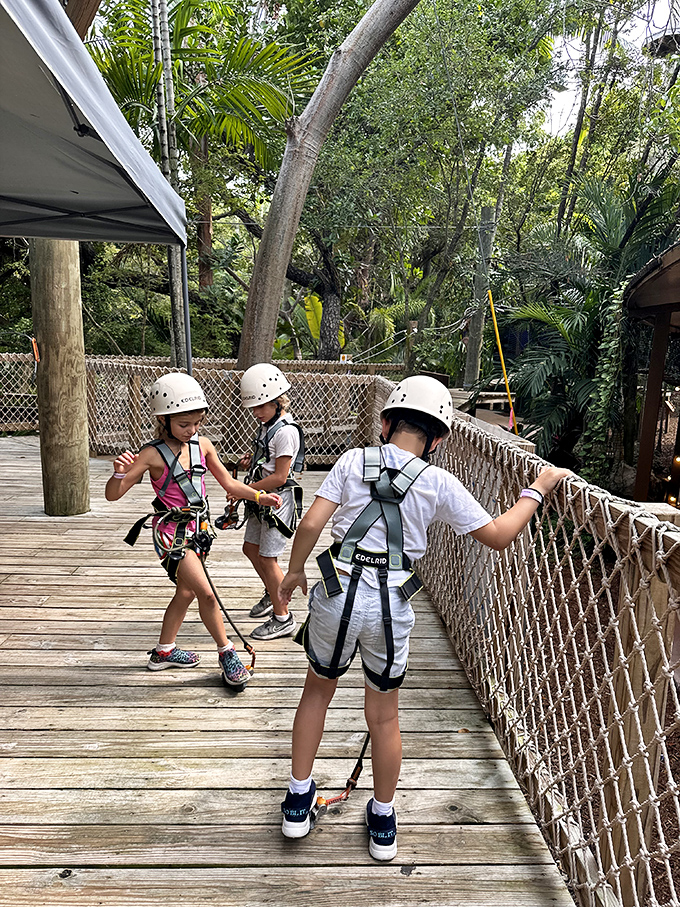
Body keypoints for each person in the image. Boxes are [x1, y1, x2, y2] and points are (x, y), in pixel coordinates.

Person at [277, 375, 571, 861]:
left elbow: (311, 523)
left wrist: (292, 573)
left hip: (336, 592)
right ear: (437, 440)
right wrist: (537, 489)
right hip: (390, 605)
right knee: (384, 715)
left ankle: (296, 803)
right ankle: (382, 821)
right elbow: (498, 535)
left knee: (317, 693)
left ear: (386, 423)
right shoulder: (437, 482)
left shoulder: (352, 460)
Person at [105, 372, 282, 688]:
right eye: (184, 424)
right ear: (164, 420)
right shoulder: (152, 454)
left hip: (198, 531)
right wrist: (119, 474)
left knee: (186, 592)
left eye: (198, 423)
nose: (192, 430)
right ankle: (227, 653)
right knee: (207, 594)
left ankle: (164, 651)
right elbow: (113, 495)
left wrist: (259, 496)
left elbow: (228, 483)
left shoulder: (203, 446)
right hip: (171, 536)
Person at [232, 363, 304, 641]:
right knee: (250, 548)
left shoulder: (286, 432)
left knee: (268, 557)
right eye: (254, 407)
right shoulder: (268, 426)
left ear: (278, 401)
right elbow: (270, 461)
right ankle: (273, 593)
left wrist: (244, 490)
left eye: (262, 406)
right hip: (260, 498)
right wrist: (252, 462)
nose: (257, 412)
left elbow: (280, 476)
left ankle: (283, 617)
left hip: (276, 500)